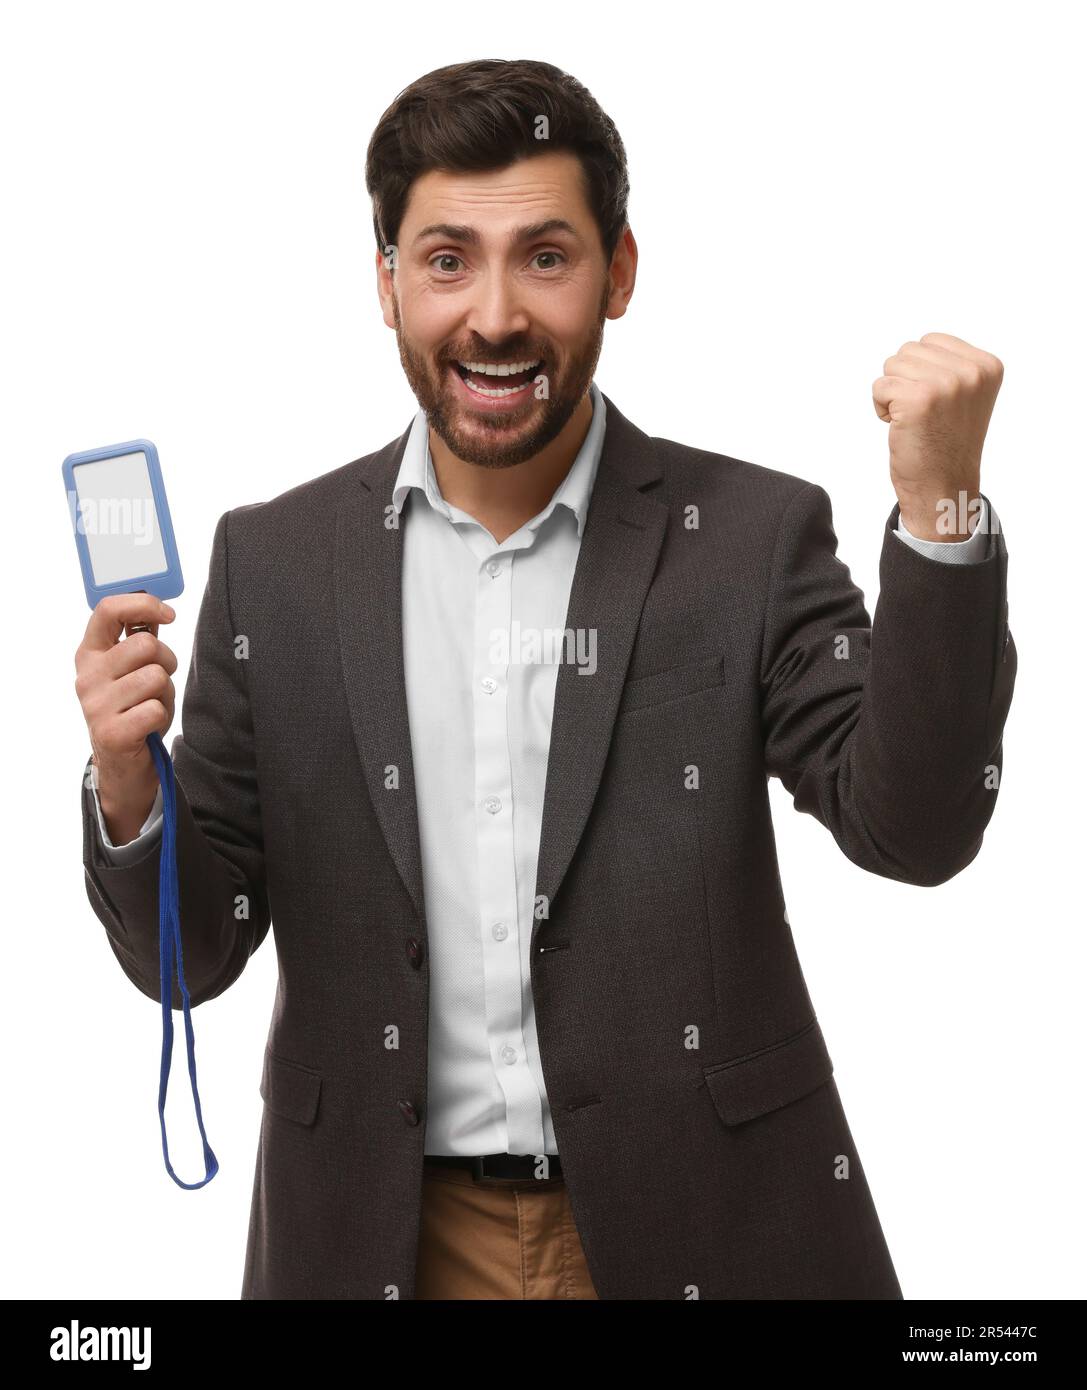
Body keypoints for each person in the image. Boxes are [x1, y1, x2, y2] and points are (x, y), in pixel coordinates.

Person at [74, 58, 1016, 1300]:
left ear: (620, 272)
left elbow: (915, 827)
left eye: (548, 256)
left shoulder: (746, 536)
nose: (497, 316)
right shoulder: (276, 564)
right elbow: (189, 955)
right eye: (448, 258)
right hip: (380, 1241)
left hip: (705, 1229)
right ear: (388, 283)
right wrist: (129, 785)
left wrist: (939, 509)